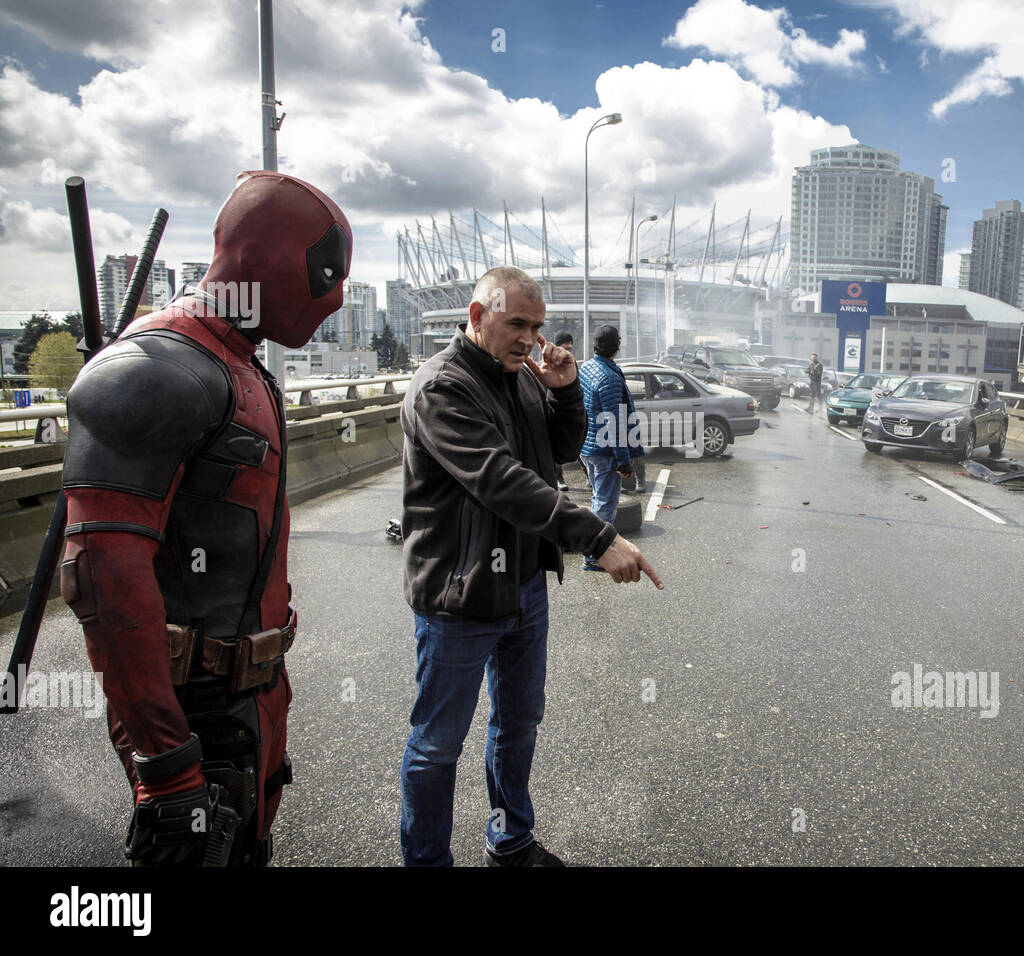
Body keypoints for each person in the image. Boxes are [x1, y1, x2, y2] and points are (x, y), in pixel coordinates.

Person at [59, 170, 352, 865]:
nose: (336, 297)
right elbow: (101, 579)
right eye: (326, 273)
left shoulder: (237, 364)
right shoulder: (156, 368)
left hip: (247, 698)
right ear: (261, 258)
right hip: (195, 710)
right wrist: (167, 766)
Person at [399, 267, 663, 867]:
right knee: (437, 745)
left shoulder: (519, 378)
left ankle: (510, 839)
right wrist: (597, 536)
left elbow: (557, 453)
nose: (528, 338)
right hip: (460, 593)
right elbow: (501, 480)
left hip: (522, 585)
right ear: (477, 315)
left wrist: (565, 392)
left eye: (536, 326)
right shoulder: (442, 386)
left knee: (518, 723)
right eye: (516, 322)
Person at [578, 325, 645, 569]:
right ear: (617, 345)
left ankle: (593, 549)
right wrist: (624, 461)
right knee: (605, 505)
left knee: (598, 500)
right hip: (604, 451)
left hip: (587, 446)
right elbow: (614, 423)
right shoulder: (609, 377)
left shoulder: (586, 367)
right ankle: (594, 556)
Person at [551, 331, 575, 490]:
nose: (568, 351)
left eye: (570, 348)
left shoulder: (572, 364)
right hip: (554, 415)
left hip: (571, 413)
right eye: (565, 348)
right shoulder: (548, 365)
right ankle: (558, 477)